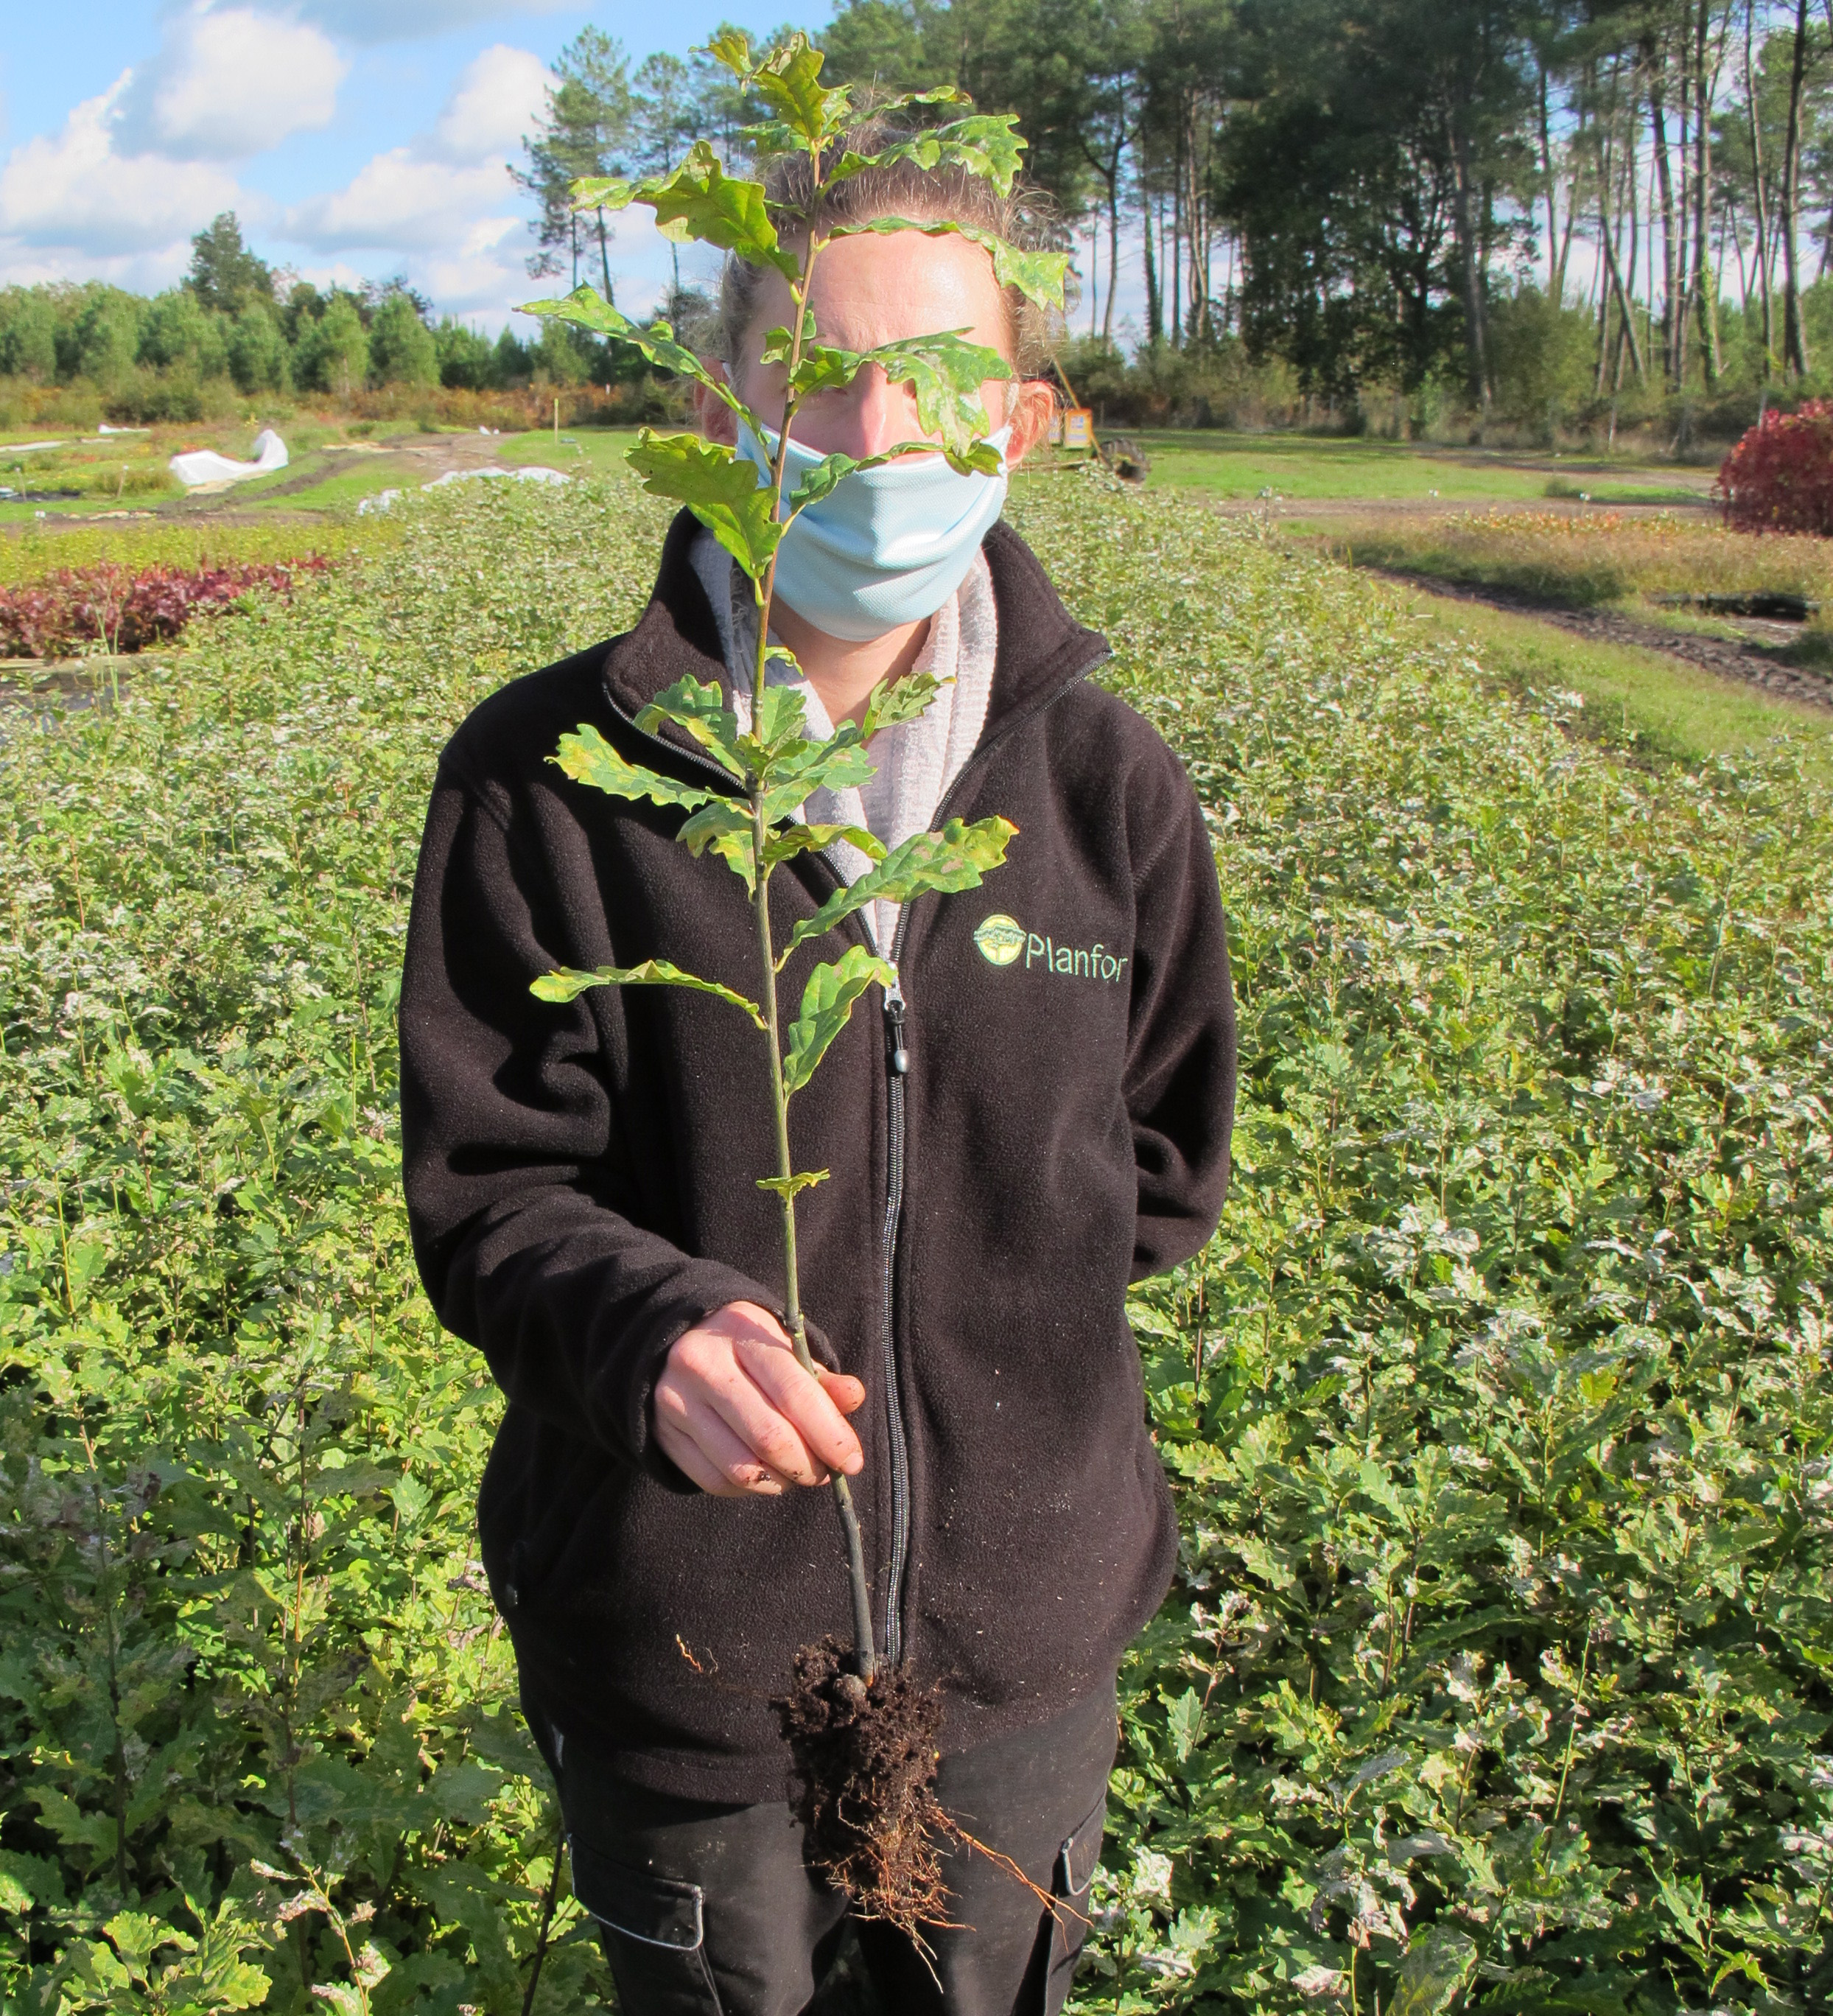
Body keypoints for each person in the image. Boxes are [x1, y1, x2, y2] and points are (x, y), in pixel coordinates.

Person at [399, 133, 1236, 2016]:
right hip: (689, 1654)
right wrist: (654, 1337)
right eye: (820, 369)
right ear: (721, 406)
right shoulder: (548, 774)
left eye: (939, 372)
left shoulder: (1106, 790)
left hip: (1022, 1648)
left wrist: (988, 1356)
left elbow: (1167, 1166)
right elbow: (486, 1190)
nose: (877, 430)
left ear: (1022, 417)